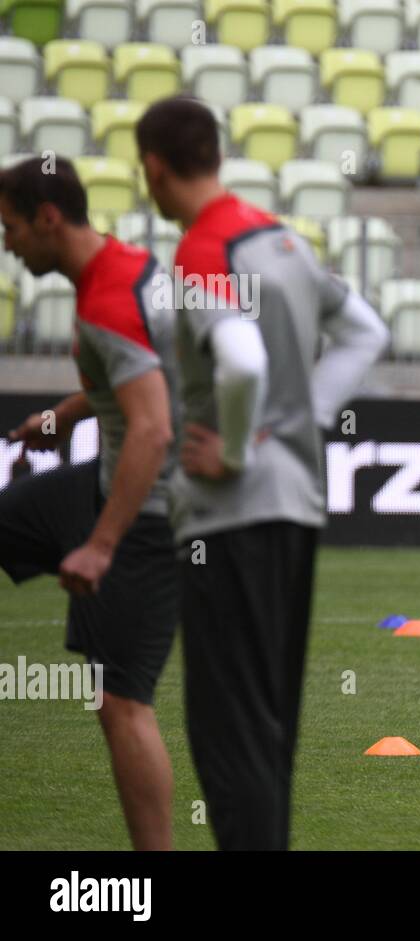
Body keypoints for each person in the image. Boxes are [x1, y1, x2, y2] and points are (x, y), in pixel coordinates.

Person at [134, 95, 390, 848]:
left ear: (153, 168)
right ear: (216, 154)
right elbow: (366, 332)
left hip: (231, 513)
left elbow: (241, 360)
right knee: (270, 724)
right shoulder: (286, 243)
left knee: (228, 732)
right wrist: (303, 420)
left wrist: (239, 449)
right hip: (297, 503)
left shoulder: (203, 250)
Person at [0, 156, 181, 846]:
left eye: (10, 228)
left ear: (48, 218)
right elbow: (127, 381)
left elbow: (153, 428)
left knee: (121, 702)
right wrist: (58, 419)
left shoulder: (107, 301)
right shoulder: (123, 266)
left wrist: (101, 545)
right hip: (108, 481)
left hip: (152, 512)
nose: (8, 245)